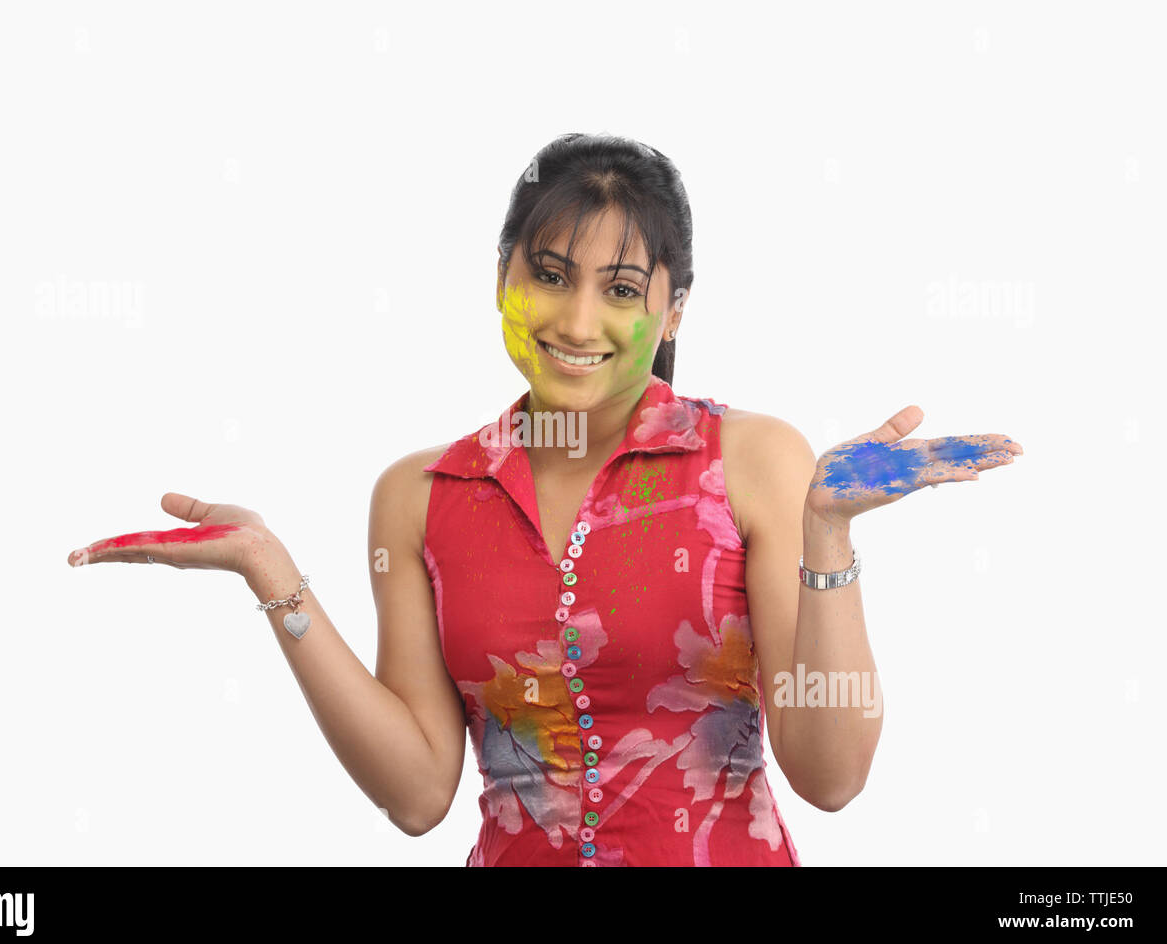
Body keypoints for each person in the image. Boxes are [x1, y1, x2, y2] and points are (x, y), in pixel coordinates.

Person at [66, 133, 1023, 866]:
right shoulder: (420, 494)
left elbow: (833, 778)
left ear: (672, 310)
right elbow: (416, 794)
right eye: (550, 276)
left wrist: (826, 532)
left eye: (619, 288)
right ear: (502, 279)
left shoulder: (756, 461)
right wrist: (275, 581)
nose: (576, 323)